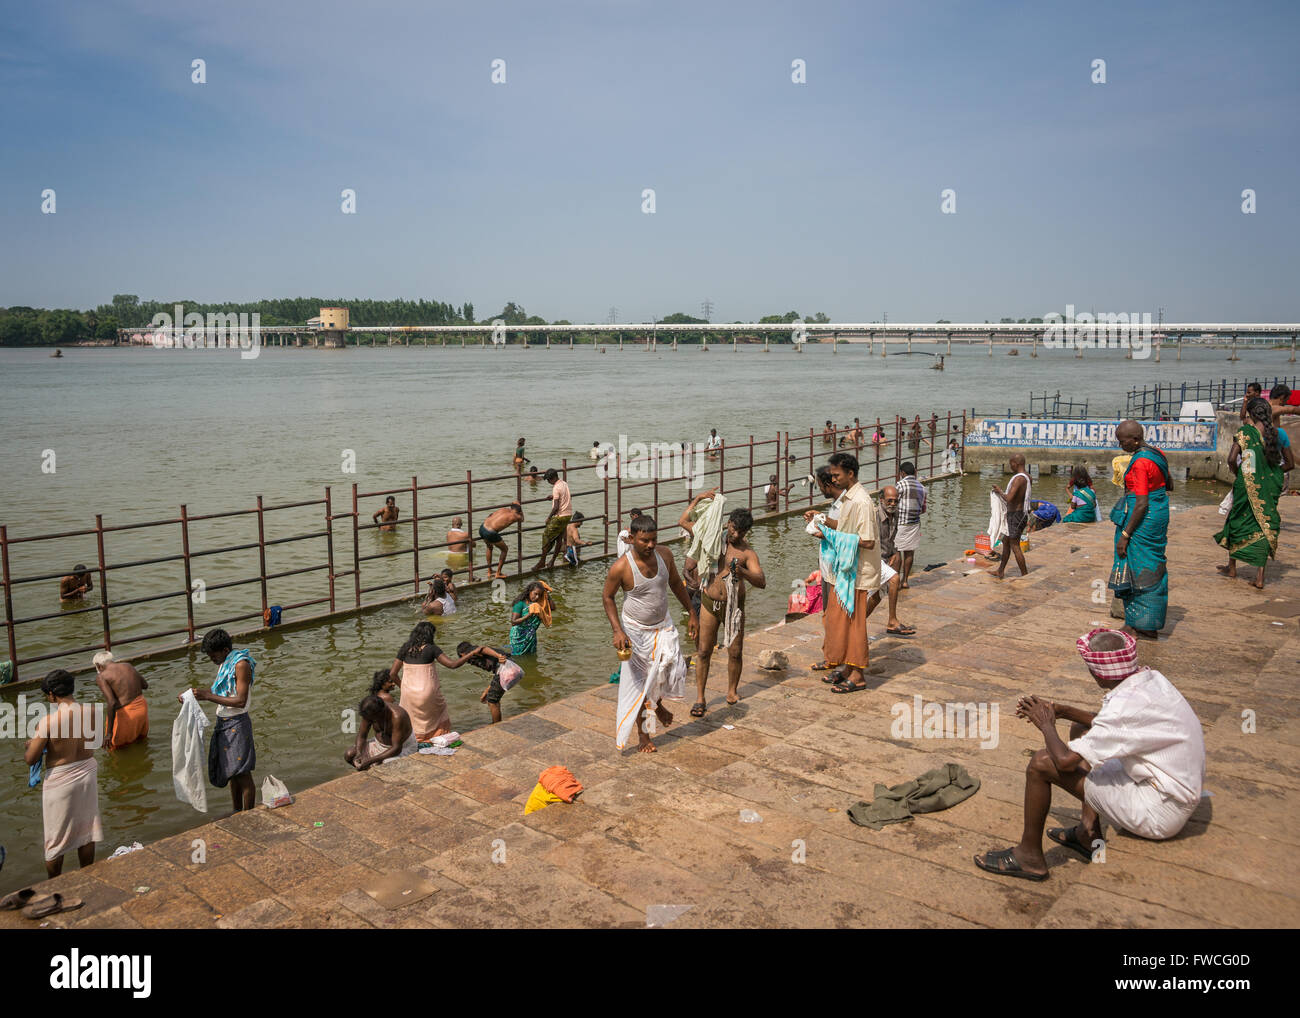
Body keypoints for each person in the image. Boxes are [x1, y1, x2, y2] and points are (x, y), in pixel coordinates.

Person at [974, 628, 1204, 881]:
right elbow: (1111, 726)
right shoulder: (1151, 679)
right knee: (1081, 729)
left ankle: (1029, 857)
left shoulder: (1123, 708)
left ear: (1096, 673)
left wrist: (1046, 724)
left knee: (1041, 763)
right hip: (1171, 790)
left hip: (1160, 813)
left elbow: (1064, 762)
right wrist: (1062, 710)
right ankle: (1087, 833)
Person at [602, 515, 698, 752]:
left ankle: (658, 705)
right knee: (640, 685)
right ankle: (644, 737)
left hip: (663, 625)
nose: (651, 545)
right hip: (635, 631)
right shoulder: (621, 567)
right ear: (632, 538)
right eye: (645, 541)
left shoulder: (664, 555)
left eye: (654, 540)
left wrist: (692, 613)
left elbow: (676, 583)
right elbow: (607, 597)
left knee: (673, 669)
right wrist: (617, 631)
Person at [804, 452, 879, 694]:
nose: (833, 480)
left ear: (850, 474)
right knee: (842, 622)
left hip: (857, 572)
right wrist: (822, 520)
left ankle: (858, 675)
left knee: (855, 624)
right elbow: (845, 527)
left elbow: (867, 541)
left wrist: (831, 536)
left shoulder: (862, 502)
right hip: (845, 571)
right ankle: (847, 667)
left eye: (837, 475)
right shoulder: (849, 498)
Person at [683, 508, 765, 716]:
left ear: (747, 532)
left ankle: (732, 692)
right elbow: (684, 524)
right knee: (703, 651)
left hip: (733, 605)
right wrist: (699, 500)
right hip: (709, 602)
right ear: (728, 523)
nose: (736, 535)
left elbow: (761, 581)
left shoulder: (747, 553)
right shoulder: (712, 539)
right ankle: (700, 698)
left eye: (741, 532)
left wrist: (742, 571)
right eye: (734, 529)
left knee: (735, 652)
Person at [25, 669, 103, 878]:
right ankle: (88, 875)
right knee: (87, 830)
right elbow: (96, 741)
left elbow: (31, 759)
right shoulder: (93, 711)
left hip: (61, 779)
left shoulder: (48, 722)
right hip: (87, 770)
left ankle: (54, 883)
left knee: (55, 837)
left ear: (51, 694)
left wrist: (33, 745)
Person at [1215, 396, 1293, 589]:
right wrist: (1269, 474)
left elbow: (1232, 459)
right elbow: (1290, 463)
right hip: (1271, 485)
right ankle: (1260, 577)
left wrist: (1238, 474)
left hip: (1246, 483)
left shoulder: (1245, 433)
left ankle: (1232, 567)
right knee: (1264, 522)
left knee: (1236, 519)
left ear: (1249, 414)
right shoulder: (1279, 434)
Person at [1110, 421, 1170, 638]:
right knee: (1152, 562)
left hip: (1144, 517)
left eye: (1122, 441)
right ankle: (1141, 622)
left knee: (1139, 566)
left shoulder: (1141, 462)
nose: (1120, 445)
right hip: (1159, 511)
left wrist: (1125, 535)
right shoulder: (1156, 453)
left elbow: (1142, 503)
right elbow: (1168, 483)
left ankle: (1139, 624)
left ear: (1135, 439)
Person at [187, 629, 256, 812]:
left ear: (225, 650)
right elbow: (222, 692)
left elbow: (240, 701)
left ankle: (248, 814)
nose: (213, 660)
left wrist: (207, 696)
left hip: (237, 723)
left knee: (242, 774)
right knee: (232, 773)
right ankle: (236, 812)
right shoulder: (226, 663)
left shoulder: (241, 665)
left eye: (214, 656)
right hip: (224, 722)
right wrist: (193, 696)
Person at [388, 622, 476, 745]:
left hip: (408, 692)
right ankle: (434, 739)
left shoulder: (405, 648)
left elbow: (392, 674)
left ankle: (414, 740)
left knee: (412, 718)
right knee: (439, 711)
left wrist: (403, 687)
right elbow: (452, 665)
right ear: (430, 635)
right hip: (427, 691)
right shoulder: (432, 648)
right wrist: (471, 654)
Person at [92, 650, 149, 751]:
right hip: (142, 708)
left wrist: (109, 734)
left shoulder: (102, 676)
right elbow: (145, 685)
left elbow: (112, 702)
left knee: (115, 750)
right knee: (141, 743)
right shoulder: (128, 666)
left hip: (126, 714)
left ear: (98, 665)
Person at [345, 691, 414, 770]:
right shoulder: (369, 712)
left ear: (381, 713)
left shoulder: (397, 717)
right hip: (379, 745)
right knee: (349, 754)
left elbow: (397, 748)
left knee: (388, 764)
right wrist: (359, 753)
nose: (369, 721)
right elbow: (362, 736)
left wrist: (371, 760)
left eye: (373, 719)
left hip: (403, 748)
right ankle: (366, 771)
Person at [459, 642, 524, 724]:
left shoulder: (472, 651)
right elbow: (497, 675)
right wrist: (486, 691)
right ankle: (497, 722)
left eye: (464, 658)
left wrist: (498, 656)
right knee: (492, 697)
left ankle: (496, 725)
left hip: (505, 668)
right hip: (509, 667)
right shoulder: (476, 655)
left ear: (463, 653)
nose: (468, 662)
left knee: (492, 701)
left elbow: (483, 648)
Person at [992, 454, 1031, 579]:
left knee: (1015, 545)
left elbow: (1009, 498)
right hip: (1018, 515)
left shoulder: (1018, 479)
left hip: (1016, 516)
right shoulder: (1028, 477)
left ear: (1016, 463)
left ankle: (1025, 575)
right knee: (1006, 541)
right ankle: (1000, 571)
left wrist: (999, 491)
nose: (1010, 466)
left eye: (1011, 463)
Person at [895, 461, 926, 588]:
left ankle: (895, 582)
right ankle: (905, 580)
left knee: (896, 551)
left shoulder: (900, 485)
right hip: (914, 524)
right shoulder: (922, 488)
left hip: (901, 523)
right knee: (909, 553)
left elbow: (892, 502)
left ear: (902, 473)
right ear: (914, 472)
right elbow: (924, 509)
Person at [535, 469, 573, 569]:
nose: (548, 482)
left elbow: (555, 507)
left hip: (559, 516)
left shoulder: (556, 488)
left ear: (552, 478)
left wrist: (548, 517)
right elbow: (566, 496)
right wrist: (554, 496)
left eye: (548, 480)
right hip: (568, 515)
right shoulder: (564, 483)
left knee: (546, 537)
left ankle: (542, 561)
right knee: (559, 539)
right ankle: (552, 561)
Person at [479, 502, 523, 578]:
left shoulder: (503, 509)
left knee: (489, 547)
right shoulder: (515, 516)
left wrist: (515, 503)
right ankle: (498, 573)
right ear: (519, 511)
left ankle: (489, 571)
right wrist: (521, 511)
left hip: (482, 527)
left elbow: (490, 515)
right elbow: (522, 519)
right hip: (490, 532)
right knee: (505, 549)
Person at [509, 581, 553, 655]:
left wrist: (546, 595)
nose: (537, 597)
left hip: (531, 636)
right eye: (535, 594)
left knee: (532, 657)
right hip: (519, 637)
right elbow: (513, 622)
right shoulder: (520, 603)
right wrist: (528, 615)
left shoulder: (537, 604)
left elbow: (552, 608)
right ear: (529, 591)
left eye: (539, 595)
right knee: (518, 658)